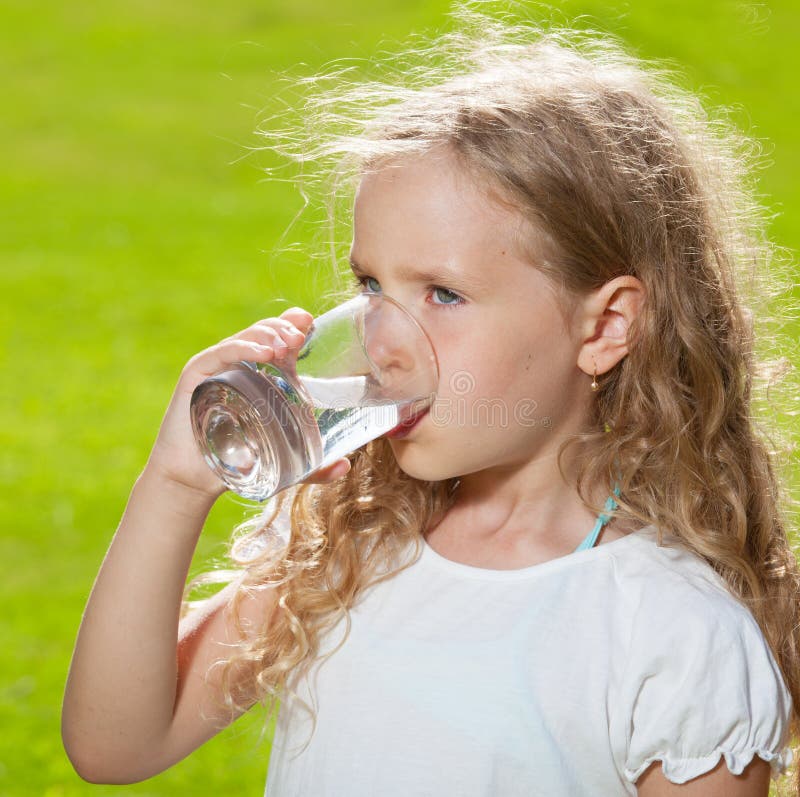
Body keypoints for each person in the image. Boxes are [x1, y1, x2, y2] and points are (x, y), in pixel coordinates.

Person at [62, 6, 800, 796]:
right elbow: (115, 746)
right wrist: (175, 485)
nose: (383, 338)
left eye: (443, 293)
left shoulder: (671, 633)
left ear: (606, 325)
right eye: (371, 284)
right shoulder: (354, 538)